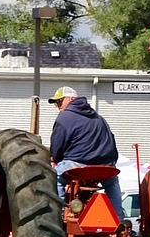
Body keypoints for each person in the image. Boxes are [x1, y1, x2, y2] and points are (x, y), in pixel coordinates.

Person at [47, 86, 124, 218]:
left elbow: (57, 148)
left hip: (78, 165)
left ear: (71, 99)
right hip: (106, 166)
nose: (58, 106)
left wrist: (56, 158)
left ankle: (57, 216)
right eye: (56, 103)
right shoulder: (99, 118)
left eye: (60, 101)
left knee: (56, 178)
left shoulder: (64, 118)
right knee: (112, 183)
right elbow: (111, 141)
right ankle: (119, 218)